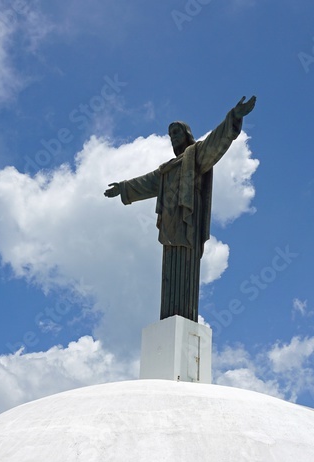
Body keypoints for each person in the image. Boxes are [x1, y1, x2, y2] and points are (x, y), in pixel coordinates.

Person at [105, 95, 256, 321]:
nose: (173, 138)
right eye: (170, 135)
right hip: (170, 223)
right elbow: (147, 182)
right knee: (169, 269)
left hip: (188, 219)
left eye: (176, 133)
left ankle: (184, 316)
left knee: (185, 266)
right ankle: (168, 318)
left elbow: (216, 142)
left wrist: (233, 117)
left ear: (186, 134)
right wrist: (124, 187)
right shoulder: (167, 169)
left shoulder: (196, 156)